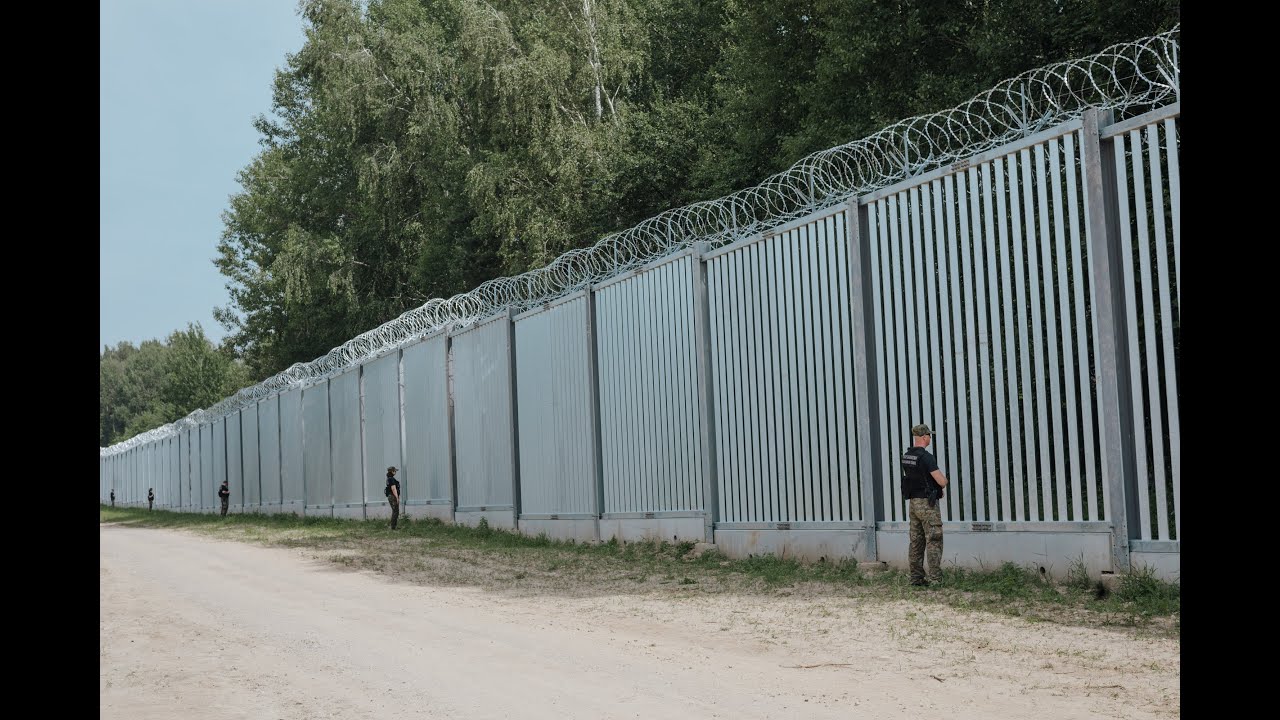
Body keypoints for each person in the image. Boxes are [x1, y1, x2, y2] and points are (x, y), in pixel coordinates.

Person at [901, 424, 949, 587]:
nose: (930, 438)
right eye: (929, 435)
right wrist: (945, 481)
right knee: (934, 539)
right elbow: (941, 481)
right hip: (927, 505)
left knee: (916, 541)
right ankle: (935, 579)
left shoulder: (907, 456)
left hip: (913, 504)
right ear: (924, 437)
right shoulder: (927, 457)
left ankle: (916, 578)